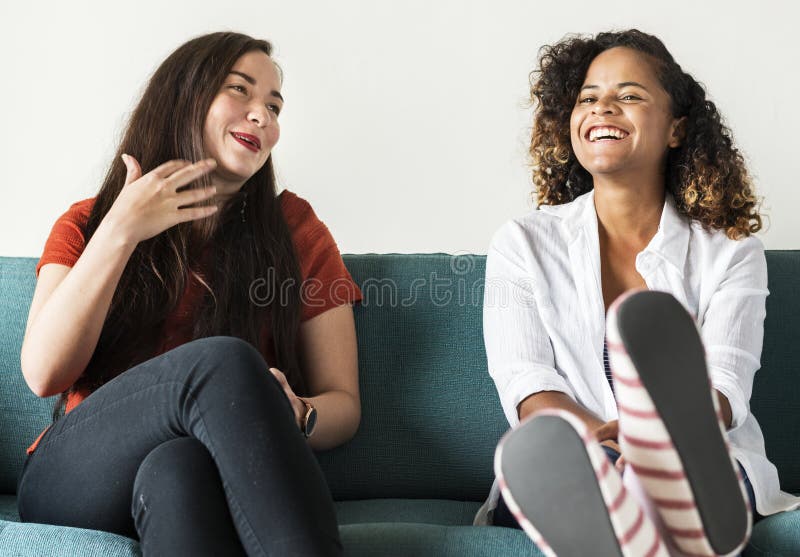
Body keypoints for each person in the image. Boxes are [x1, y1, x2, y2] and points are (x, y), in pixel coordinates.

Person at [16, 31, 362, 557]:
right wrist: (121, 230)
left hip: (203, 470)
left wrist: (296, 413)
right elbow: (43, 373)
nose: (262, 116)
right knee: (221, 363)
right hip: (77, 475)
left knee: (179, 467)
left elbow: (343, 403)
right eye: (240, 91)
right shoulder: (89, 222)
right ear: (186, 96)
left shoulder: (296, 230)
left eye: (274, 105)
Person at [477, 29, 800, 556]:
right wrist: (617, 441)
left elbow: (723, 385)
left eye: (629, 95)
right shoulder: (522, 244)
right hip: (576, 456)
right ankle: (663, 512)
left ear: (676, 128)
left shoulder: (732, 252)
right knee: (593, 475)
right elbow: (528, 385)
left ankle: (665, 497)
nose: (603, 106)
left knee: (668, 475)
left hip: (700, 454)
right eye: (587, 97)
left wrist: (654, 447)